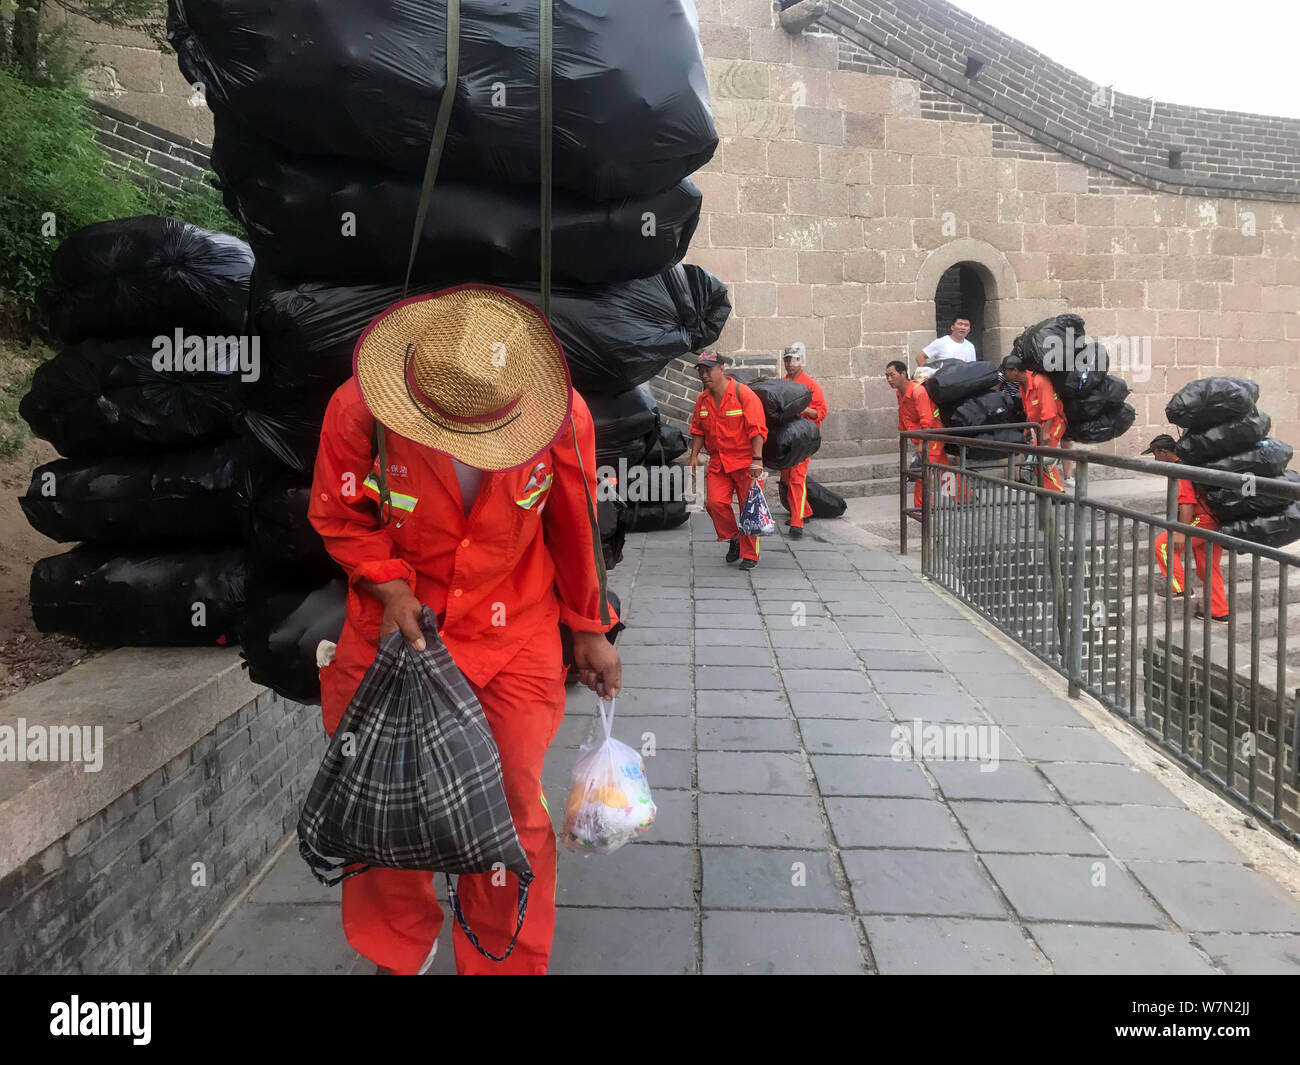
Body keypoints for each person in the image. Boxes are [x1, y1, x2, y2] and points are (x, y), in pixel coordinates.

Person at [308, 284, 622, 975]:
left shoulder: (561, 418)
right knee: (383, 797)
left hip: (514, 635)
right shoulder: (358, 409)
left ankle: (500, 960)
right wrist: (387, 582)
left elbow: (575, 527)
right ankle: (399, 947)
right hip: (394, 634)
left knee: (512, 805)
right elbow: (336, 513)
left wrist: (591, 628)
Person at [687, 351, 769, 571]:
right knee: (714, 503)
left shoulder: (743, 395)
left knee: (748, 509)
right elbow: (697, 430)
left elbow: (757, 430)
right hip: (719, 462)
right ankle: (733, 537)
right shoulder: (702, 400)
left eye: (708, 369)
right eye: (701, 371)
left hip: (745, 462)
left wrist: (757, 460)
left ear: (721, 369)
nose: (704, 375)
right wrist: (694, 456)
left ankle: (750, 554)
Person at [1145, 434, 1230, 621]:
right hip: (1215, 519)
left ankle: (1180, 588)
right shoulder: (1189, 463)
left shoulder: (1180, 469)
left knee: (1163, 545)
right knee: (1207, 567)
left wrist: (1183, 533)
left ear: (1163, 452)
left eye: (1155, 455)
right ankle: (1219, 611)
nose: (1155, 459)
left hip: (1203, 519)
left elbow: (1187, 505)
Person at [886, 360, 960, 508]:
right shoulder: (899, 394)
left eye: (892, 375)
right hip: (923, 437)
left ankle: (922, 507)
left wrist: (922, 444)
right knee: (943, 469)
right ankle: (964, 499)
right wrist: (904, 435)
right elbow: (904, 416)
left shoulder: (918, 391)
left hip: (932, 436)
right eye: (887, 376)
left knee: (922, 471)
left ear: (903, 374)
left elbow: (927, 420)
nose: (889, 379)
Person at [778, 342, 828, 539]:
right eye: (787, 360)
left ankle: (797, 522)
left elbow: (821, 412)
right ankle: (805, 510)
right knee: (788, 476)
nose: (790, 364)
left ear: (802, 361)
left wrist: (800, 409)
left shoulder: (811, 385)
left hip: (804, 439)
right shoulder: (783, 382)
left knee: (797, 477)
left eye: (794, 360)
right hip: (786, 438)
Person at [1000, 353, 1067, 493]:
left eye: (1005, 372)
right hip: (1040, 426)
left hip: (1053, 424)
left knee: (1044, 459)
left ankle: (1058, 492)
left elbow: (1050, 410)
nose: (1004, 376)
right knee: (1038, 461)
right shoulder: (1022, 385)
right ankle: (1049, 492)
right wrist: (1027, 428)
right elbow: (1030, 411)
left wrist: (1046, 432)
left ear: (1015, 371)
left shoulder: (1040, 382)